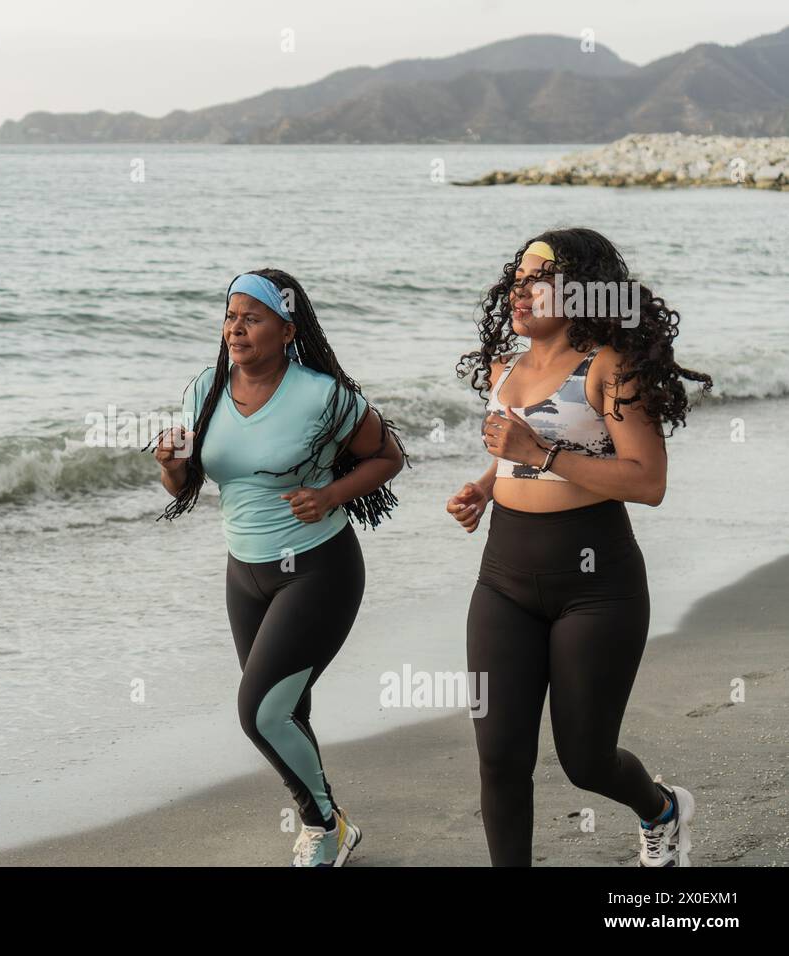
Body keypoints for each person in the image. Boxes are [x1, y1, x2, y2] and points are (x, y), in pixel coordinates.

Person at [448, 228, 713, 866]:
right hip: (504, 579)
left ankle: (661, 808)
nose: (521, 291)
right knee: (499, 758)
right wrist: (488, 486)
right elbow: (515, 456)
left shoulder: (608, 366)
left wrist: (538, 453)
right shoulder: (505, 366)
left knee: (585, 761)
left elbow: (647, 481)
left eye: (540, 279)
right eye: (518, 277)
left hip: (596, 586)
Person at [148, 268, 406, 866]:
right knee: (286, 711)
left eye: (252, 317)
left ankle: (323, 825)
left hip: (319, 570)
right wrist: (170, 464)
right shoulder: (205, 389)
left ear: (287, 330)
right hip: (245, 573)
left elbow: (387, 456)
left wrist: (332, 495)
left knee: (259, 712)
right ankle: (331, 824)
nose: (236, 328)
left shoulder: (323, 396)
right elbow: (180, 485)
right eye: (231, 316)